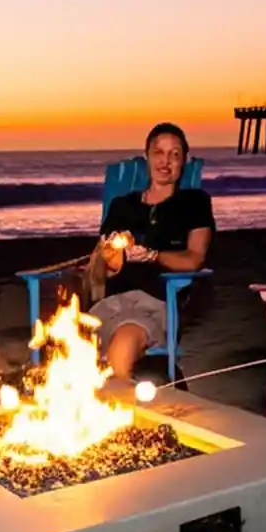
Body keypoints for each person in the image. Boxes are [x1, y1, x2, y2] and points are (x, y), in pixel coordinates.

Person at [90, 123, 214, 381]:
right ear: (147, 156)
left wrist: (154, 256)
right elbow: (102, 268)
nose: (166, 161)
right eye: (159, 152)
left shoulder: (194, 202)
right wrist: (109, 258)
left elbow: (194, 258)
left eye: (175, 154)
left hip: (154, 304)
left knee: (121, 348)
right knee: (64, 347)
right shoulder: (122, 206)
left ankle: (123, 411)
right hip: (107, 306)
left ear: (184, 162)